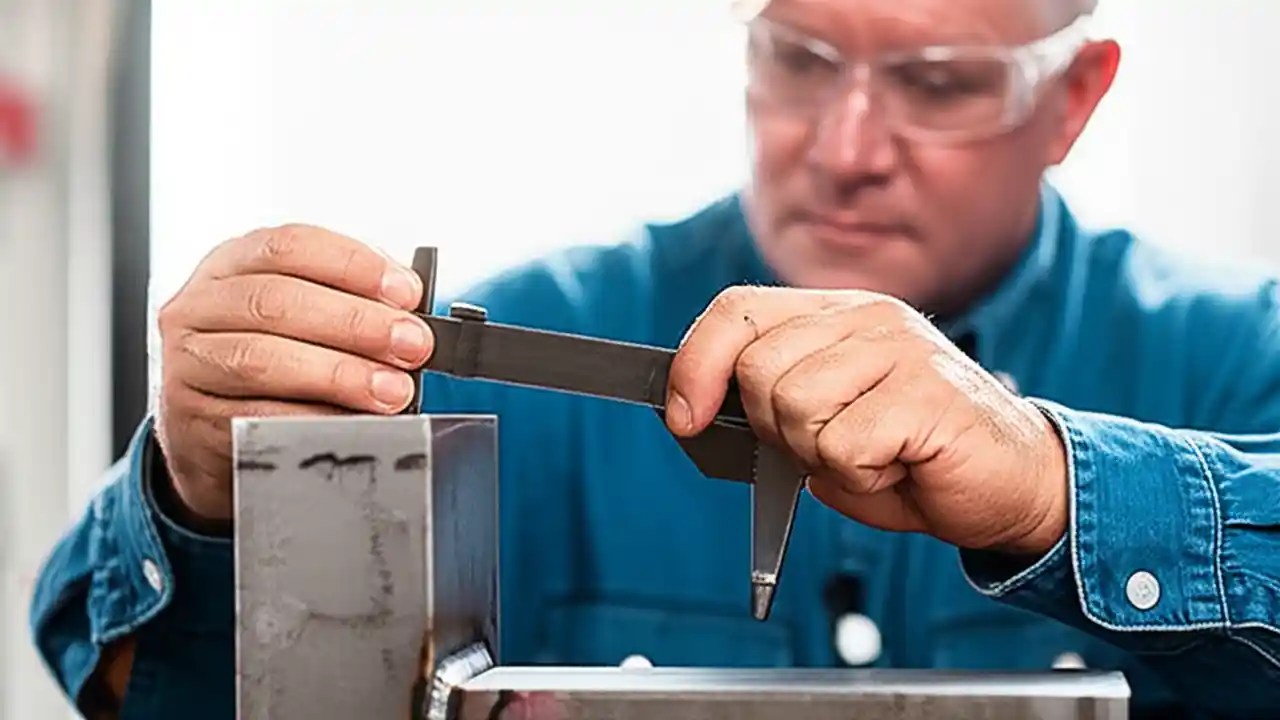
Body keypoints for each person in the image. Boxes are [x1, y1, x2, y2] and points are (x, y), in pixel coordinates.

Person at [27, 0, 1280, 717]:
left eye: (939, 83)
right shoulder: (467, 370)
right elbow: (142, 693)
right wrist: (200, 496)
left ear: (1073, 100)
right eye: (799, 57)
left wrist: (1055, 485)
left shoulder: (1242, 364)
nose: (845, 146)